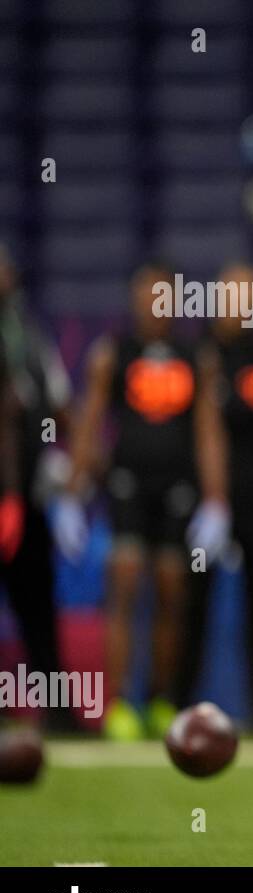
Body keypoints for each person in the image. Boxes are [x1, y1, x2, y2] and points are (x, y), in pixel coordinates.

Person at [53, 260, 230, 740]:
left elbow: (208, 432)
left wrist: (216, 501)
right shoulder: (114, 353)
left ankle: (159, 699)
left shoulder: (197, 357)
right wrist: (73, 493)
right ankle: (118, 705)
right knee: (125, 582)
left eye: (162, 297)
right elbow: (89, 424)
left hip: (178, 488)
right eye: (145, 297)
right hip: (127, 483)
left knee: (173, 587)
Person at [175, 262, 253, 730]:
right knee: (193, 601)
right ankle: (179, 701)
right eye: (231, 296)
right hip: (201, 499)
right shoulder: (198, 356)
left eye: (248, 297)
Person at [0, 247, 73, 727]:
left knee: (37, 605)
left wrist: (65, 474)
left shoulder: (28, 337)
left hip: (28, 495)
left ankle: (59, 709)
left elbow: (58, 406)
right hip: (9, 496)